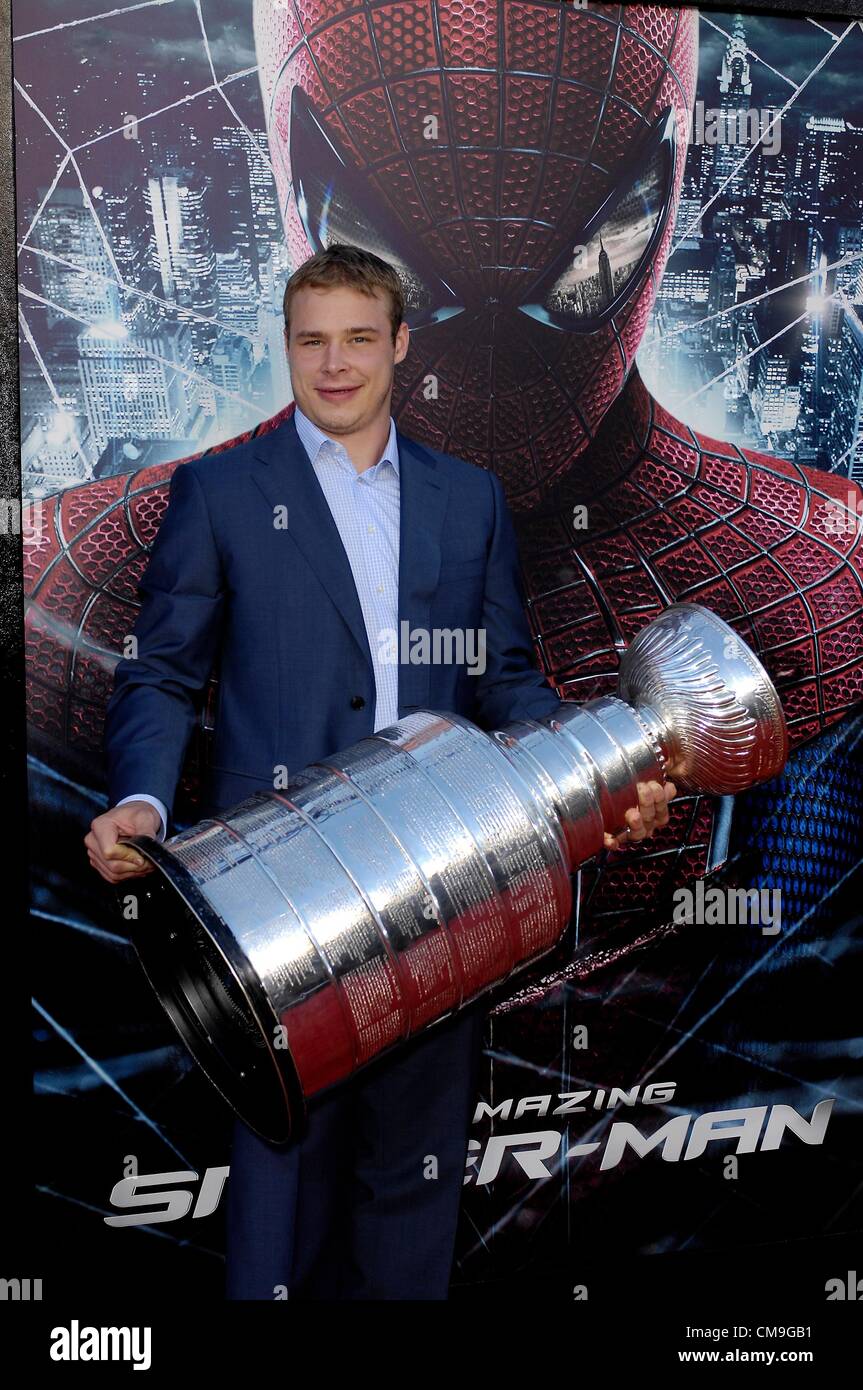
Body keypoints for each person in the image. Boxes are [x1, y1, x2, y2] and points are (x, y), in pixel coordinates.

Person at [86, 243, 674, 1300]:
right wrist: (139, 799)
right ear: (288, 350)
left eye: (359, 337)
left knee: (411, 1214)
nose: (335, 362)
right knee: (278, 1223)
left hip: (448, 899)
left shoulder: (471, 501)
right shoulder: (219, 494)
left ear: (399, 345)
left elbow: (504, 681)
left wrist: (587, 782)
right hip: (271, 919)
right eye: (312, 340)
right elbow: (161, 678)